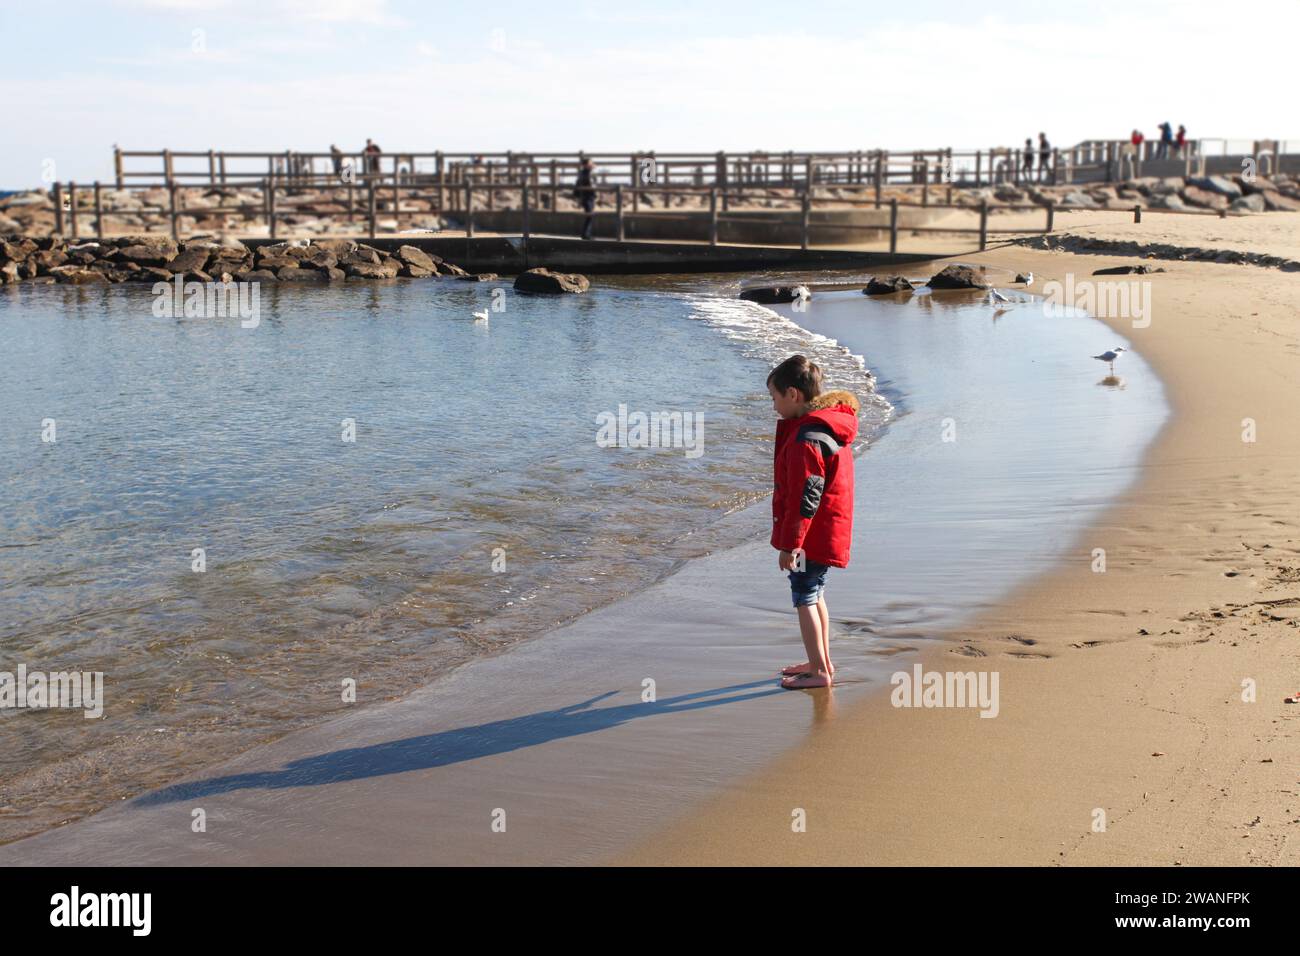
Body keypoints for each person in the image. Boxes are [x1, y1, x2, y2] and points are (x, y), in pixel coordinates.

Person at [767, 355, 859, 690]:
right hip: (826, 528)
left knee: (804, 596)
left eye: (775, 398)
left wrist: (791, 544)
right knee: (815, 592)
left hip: (812, 534)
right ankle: (820, 661)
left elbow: (806, 496)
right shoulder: (827, 424)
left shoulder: (807, 437)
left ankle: (819, 672)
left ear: (793, 394)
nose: (774, 406)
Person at [572, 155, 597, 240]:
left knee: (589, 215)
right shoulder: (586, 173)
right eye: (590, 163)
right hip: (587, 196)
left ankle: (586, 234)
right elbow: (590, 184)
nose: (592, 164)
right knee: (589, 215)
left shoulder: (584, 172)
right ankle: (586, 234)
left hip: (588, 196)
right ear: (586, 165)